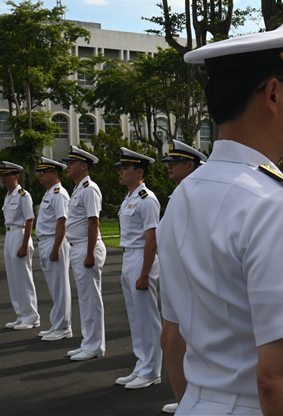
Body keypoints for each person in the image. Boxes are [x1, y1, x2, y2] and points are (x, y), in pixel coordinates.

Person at [156, 17, 283, 415]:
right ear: (272, 94)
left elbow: (171, 338)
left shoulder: (183, 195)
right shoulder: (276, 203)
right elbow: (277, 375)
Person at [159, 139, 206, 414]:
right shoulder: (178, 195)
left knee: (194, 343)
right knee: (170, 339)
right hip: (173, 279)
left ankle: (194, 400)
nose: (169, 167)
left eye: (175, 163)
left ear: (191, 165)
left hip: (190, 282)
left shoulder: (198, 194)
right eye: (168, 163)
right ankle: (185, 401)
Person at [114, 148, 163, 390]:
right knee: (135, 318)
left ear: (139, 172)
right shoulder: (129, 198)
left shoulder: (147, 199)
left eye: (125, 168)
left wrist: (144, 274)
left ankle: (152, 370)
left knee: (147, 318)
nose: (120, 172)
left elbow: (151, 240)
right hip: (129, 259)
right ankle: (141, 364)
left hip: (142, 260)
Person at [62, 145, 107, 361]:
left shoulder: (90, 188)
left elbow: (93, 221)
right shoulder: (78, 188)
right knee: (85, 298)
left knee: (91, 298)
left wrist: (90, 253)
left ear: (83, 165)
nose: (68, 166)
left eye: (71, 163)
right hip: (78, 247)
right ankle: (88, 342)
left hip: (86, 247)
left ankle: (95, 345)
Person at [0, 161, 39, 331]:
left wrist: (24, 245)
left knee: (23, 277)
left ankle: (31, 316)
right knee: (13, 278)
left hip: (20, 234)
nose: (3, 178)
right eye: (2, 175)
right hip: (9, 235)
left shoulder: (23, 195)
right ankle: (21, 314)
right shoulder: (8, 196)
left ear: (16, 176)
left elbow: (29, 220)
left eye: (7, 175)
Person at [35, 157, 73, 341]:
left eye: (44, 172)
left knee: (60, 287)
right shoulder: (49, 193)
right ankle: (56, 324)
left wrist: (56, 248)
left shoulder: (59, 193)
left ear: (55, 174)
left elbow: (62, 222)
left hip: (54, 242)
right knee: (53, 286)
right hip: (46, 241)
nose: (40, 175)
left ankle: (64, 326)